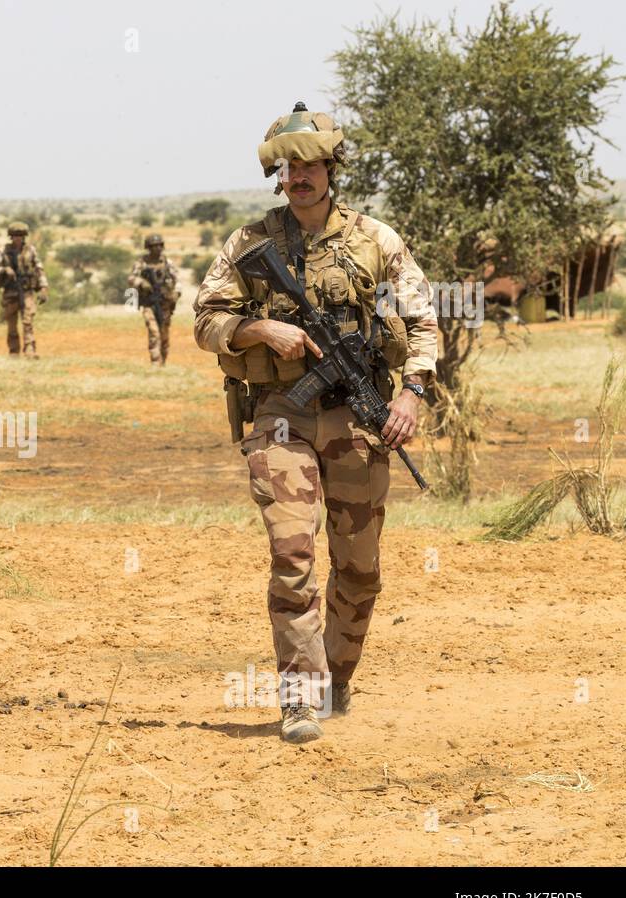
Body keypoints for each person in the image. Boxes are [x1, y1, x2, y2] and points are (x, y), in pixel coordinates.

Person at [193, 102, 439, 744]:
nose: (299, 176)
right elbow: (203, 321)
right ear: (278, 175)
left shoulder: (376, 240)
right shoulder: (252, 243)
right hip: (281, 416)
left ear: (332, 168)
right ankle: (300, 698)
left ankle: (336, 677)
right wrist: (256, 327)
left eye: (311, 165)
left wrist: (411, 393)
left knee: (359, 569)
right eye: (289, 167)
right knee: (292, 553)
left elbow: (421, 322)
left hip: (358, 420)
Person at [0, 221, 48, 357]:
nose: (18, 238)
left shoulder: (31, 250)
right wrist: (4, 270)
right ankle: (14, 351)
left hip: (26, 290)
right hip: (10, 291)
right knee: (11, 323)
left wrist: (44, 288)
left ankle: (30, 350)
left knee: (28, 321)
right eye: (15, 235)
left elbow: (39, 269)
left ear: (24, 236)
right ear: (11, 236)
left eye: (20, 235)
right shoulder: (2, 251)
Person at [128, 234, 181, 366]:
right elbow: (131, 279)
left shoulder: (168, 263)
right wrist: (141, 283)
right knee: (154, 332)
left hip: (165, 303)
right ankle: (155, 362)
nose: (157, 248)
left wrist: (176, 293)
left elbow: (177, 281)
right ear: (148, 247)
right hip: (149, 303)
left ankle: (163, 361)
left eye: (159, 245)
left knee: (164, 334)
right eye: (153, 246)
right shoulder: (141, 263)